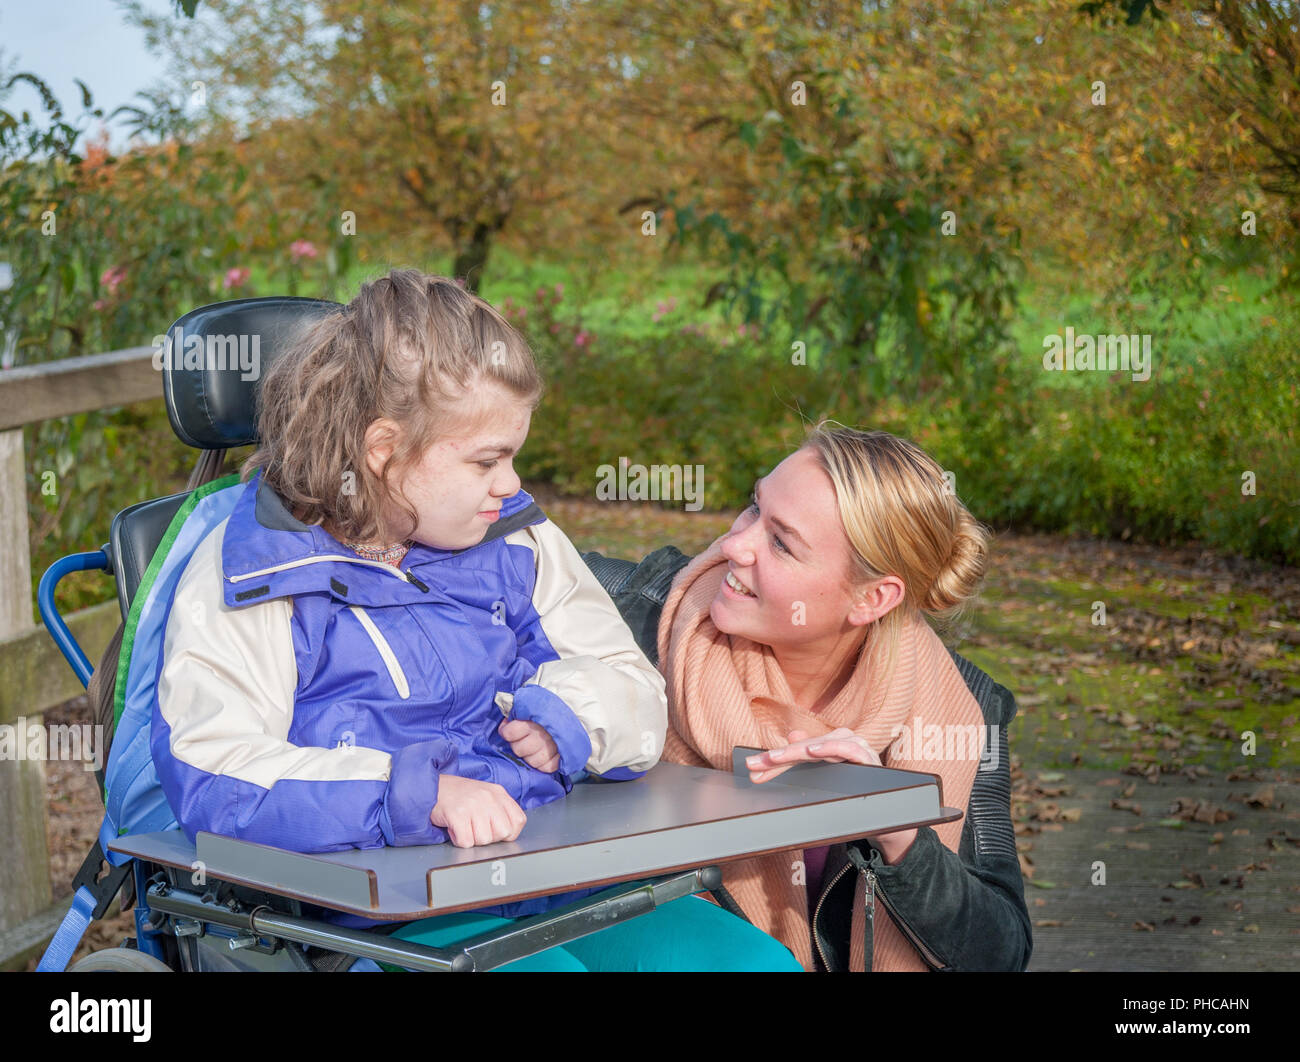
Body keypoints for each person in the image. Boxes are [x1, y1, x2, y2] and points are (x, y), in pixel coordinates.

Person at [149, 269, 800, 971]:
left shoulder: (513, 538)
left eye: (514, 455)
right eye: (488, 459)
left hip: (553, 874)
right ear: (382, 451)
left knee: (752, 965)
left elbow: (632, 688)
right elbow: (214, 772)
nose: (512, 483)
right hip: (379, 915)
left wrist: (571, 719)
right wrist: (412, 795)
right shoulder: (256, 568)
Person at [594, 423, 1032, 971]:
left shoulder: (963, 706)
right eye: (754, 508)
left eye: (781, 542)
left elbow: (1002, 951)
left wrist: (900, 832)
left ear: (873, 598)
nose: (734, 545)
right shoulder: (625, 618)